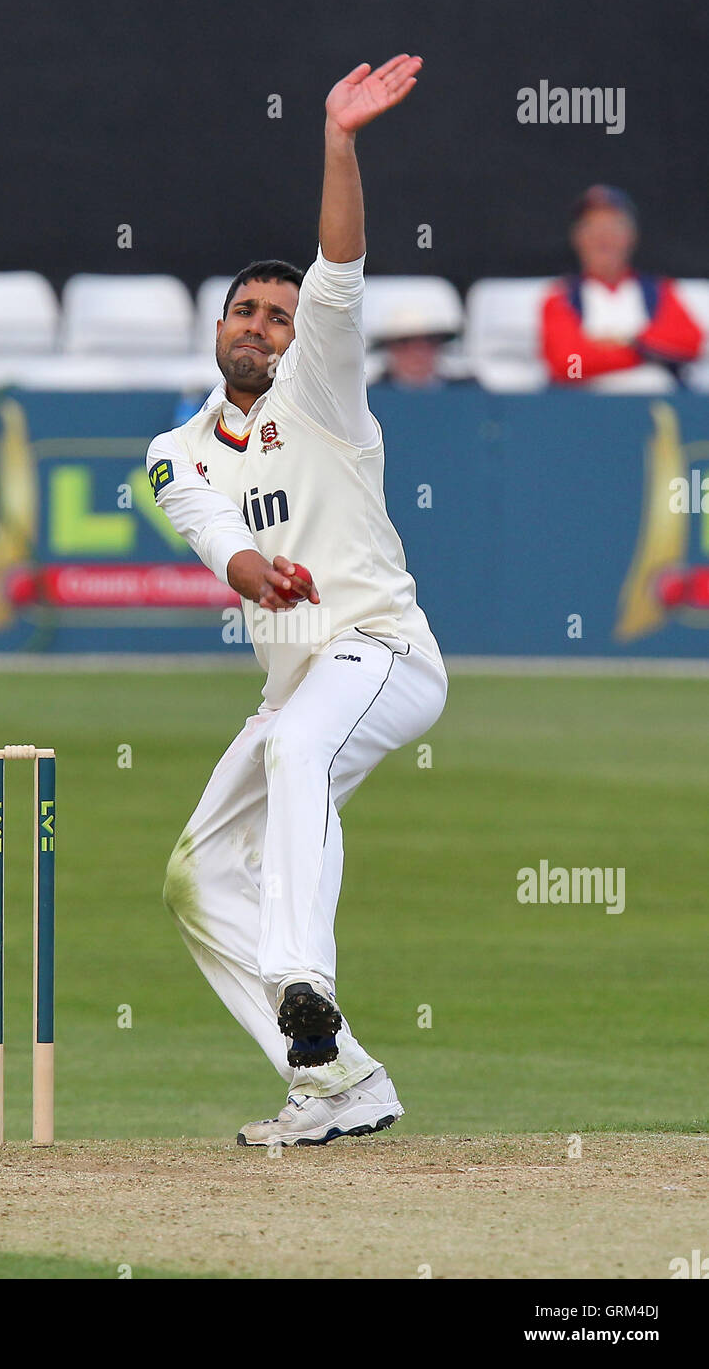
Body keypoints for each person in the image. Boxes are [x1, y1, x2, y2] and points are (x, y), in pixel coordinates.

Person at [146, 55, 447, 1147]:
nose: (260, 326)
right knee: (190, 874)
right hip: (296, 675)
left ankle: (301, 981)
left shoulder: (319, 390)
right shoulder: (173, 449)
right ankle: (333, 1076)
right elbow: (211, 526)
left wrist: (337, 143)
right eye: (244, 310)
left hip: (381, 648)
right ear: (216, 324)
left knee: (293, 753)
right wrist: (246, 571)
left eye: (277, 315)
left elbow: (339, 265)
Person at [541, 185, 703, 390]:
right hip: (586, 408)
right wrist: (645, 354)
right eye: (592, 228)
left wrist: (626, 343)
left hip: (654, 407)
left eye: (613, 228)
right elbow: (571, 367)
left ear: (630, 237)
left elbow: (689, 343)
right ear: (578, 239)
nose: (603, 238)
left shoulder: (657, 290)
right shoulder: (562, 296)